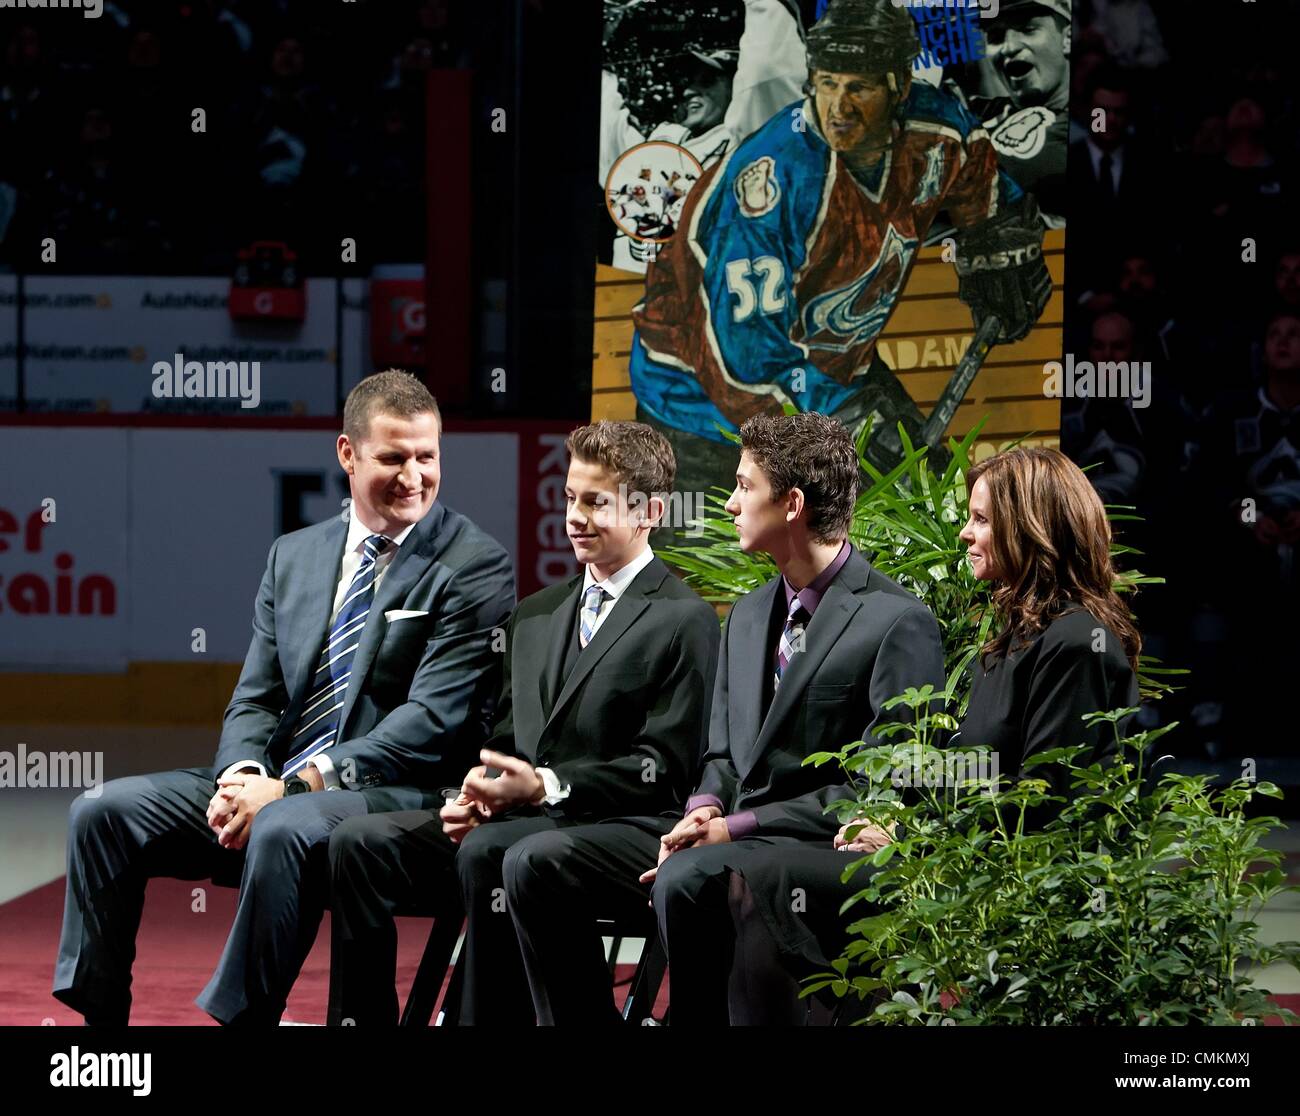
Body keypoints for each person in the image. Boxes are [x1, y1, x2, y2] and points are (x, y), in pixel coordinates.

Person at [52, 370, 515, 1025]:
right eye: (393, 457)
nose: (414, 475)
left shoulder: (475, 564)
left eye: (427, 456)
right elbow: (257, 697)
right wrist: (241, 775)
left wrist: (299, 786)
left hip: (398, 789)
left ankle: (244, 1016)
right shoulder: (293, 556)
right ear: (347, 454)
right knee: (104, 810)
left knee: (280, 823)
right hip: (279, 784)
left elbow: (429, 722)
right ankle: (101, 1023)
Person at [502, 410, 945, 1025]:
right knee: (548, 862)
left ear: (790, 505)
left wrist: (736, 826)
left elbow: (888, 784)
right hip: (735, 837)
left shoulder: (897, 620)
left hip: (819, 843)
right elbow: (720, 757)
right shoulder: (746, 614)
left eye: (743, 486)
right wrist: (703, 808)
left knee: (693, 876)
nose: (731, 503)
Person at [724, 445, 1142, 1023]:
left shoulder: (1075, 643)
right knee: (767, 869)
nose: (966, 535)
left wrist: (912, 839)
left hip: (998, 879)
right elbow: (973, 769)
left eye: (982, 520)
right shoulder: (1010, 639)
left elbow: (1043, 800)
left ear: (1031, 528)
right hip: (955, 856)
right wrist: (895, 818)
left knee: (764, 874)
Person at [325, 420, 720, 1025]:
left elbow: (664, 772)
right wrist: (474, 795)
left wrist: (547, 786)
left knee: (499, 853)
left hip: (627, 826)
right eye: (569, 498)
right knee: (360, 842)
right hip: (524, 823)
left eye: (596, 502)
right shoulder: (534, 614)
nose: (575, 517)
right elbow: (505, 746)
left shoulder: (685, 619)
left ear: (650, 512)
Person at [629, 0, 1052, 497]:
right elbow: (746, 362)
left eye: (859, 87)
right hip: (698, 403)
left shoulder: (937, 130)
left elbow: (984, 188)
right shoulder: (776, 178)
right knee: (722, 571)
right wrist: (844, 428)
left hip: (828, 366)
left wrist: (998, 251)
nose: (839, 107)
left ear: (899, 85)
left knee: (927, 508)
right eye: (827, 83)